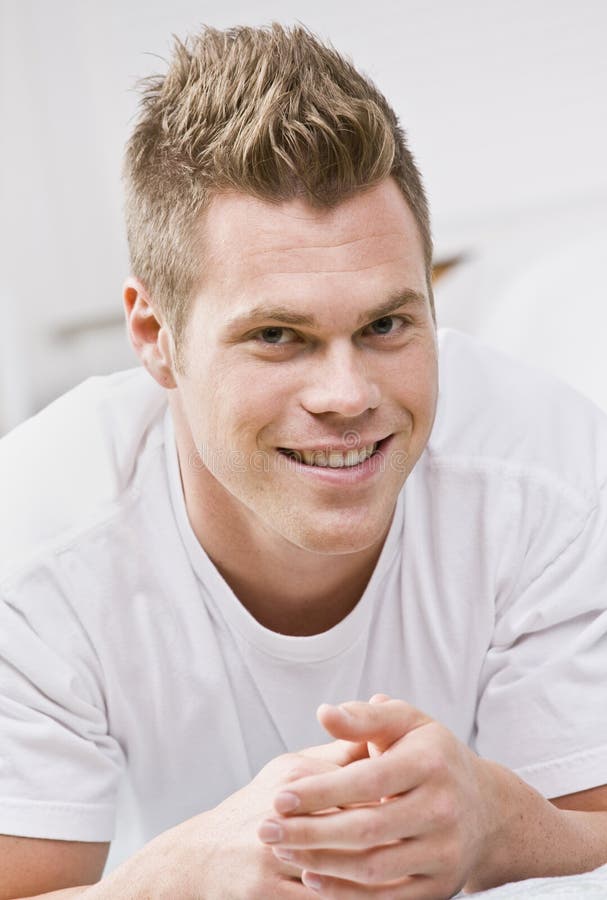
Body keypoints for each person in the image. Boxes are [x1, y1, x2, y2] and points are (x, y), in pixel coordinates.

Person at [1, 23, 606, 900]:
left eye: (385, 325)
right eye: (278, 336)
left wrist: (496, 829)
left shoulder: (545, 474)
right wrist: (179, 882)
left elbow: (591, 836)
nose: (347, 394)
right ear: (154, 334)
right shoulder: (34, 543)